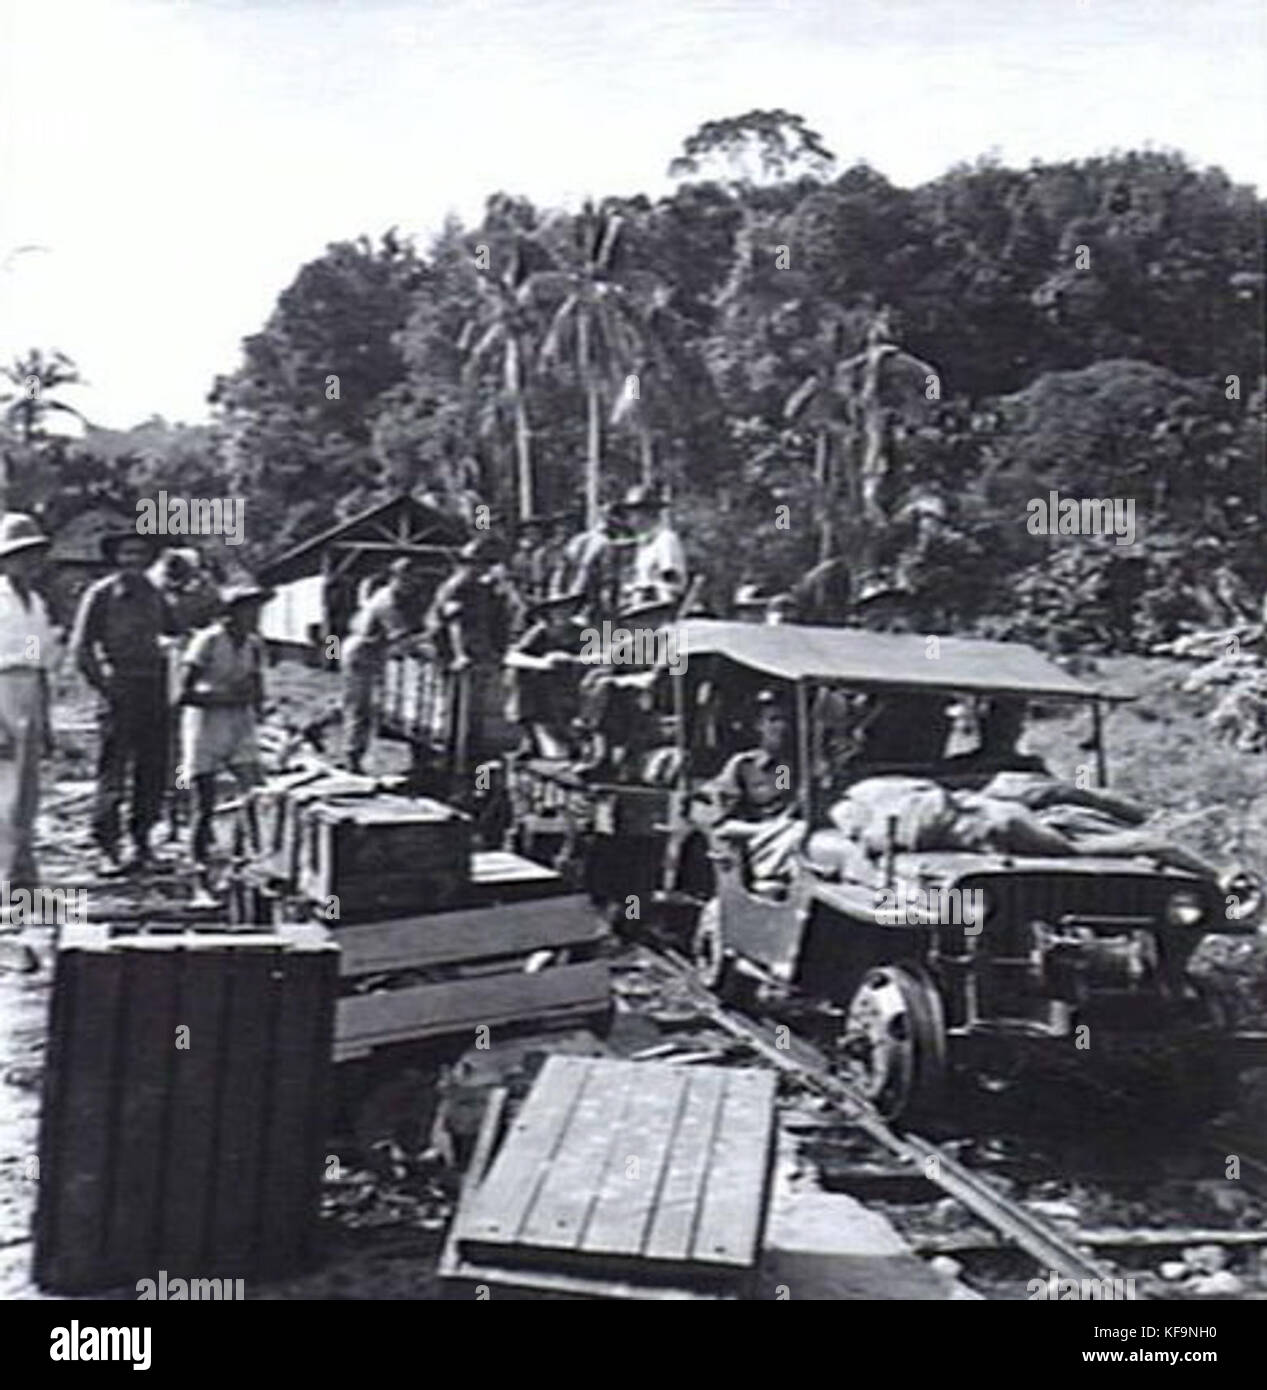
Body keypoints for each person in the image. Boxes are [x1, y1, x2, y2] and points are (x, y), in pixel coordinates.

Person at [70, 530, 175, 874]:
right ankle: (107, 845)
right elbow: (81, 649)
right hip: (120, 685)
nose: (133, 559)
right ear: (116, 558)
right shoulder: (100, 594)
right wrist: (105, 687)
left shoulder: (157, 594)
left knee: (153, 768)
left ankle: (142, 842)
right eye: (127, 553)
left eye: (140, 553)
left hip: (155, 687)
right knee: (113, 769)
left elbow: (177, 632)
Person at [178, 583, 270, 907]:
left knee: (257, 794)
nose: (254, 616)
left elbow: (258, 684)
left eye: (257, 610)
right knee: (203, 806)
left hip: (239, 724)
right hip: (206, 724)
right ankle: (199, 878)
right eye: (248, 610)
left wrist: (257, 702)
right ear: (230, 613)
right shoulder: (207, 641)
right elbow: (182, 694)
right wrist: (223, 697)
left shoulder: (254, 644)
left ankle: (248, 863)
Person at [426, 537, 515, 770]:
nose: (482, 568)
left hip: (478, 655)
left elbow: (494, 622)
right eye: (477, 564)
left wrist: (496, 652)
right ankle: (456, 767)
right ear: (466, 564)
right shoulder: (458, 587)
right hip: (455, 657)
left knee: (475, 716)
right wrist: (460, 655)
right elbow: (456, 624)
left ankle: (470, 765)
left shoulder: (483, 588)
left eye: (486, 564)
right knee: (460, 716)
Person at [0, 515, 54, 899]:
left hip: (29, 688)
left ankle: (22, 874)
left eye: (34, 555)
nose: (28, 564)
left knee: (27, 791)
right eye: (20, 556)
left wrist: (44, 719)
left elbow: (38, 660)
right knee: (3, 790)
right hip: (1, 687)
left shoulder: (36, 603)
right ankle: (5, 878)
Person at [703, 690, 806, 882]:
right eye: (773, 720)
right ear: (759, 726)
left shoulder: (799, 768)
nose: (781, 726)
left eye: (786, 720)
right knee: (795, 832)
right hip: (754, 838)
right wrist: (767, 829)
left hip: (790, 840)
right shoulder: (743, 765)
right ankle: (768, 876)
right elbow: (723, 824)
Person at [340, 557, 422, 773]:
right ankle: (352, 758)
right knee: (361, 709)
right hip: (361, 654)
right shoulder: (387, 601)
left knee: (358, 703)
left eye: (413, 580)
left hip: (373, 654)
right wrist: (425, 645)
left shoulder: (394, 597)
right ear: (396, 578)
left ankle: (316, 727)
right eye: (407, 579)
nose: (411, 585)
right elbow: (401, 636)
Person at [504, 589, 587, 758]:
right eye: (558, 610)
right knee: (521, 679)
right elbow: (512, 657)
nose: (563, 613)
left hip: (572, 679)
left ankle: (575, 743)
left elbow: (600, 655)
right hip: (542, 680)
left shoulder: (582, 631)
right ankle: (530, 740)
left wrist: (571, 659)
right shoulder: (540, 632)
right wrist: (542, 663)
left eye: (568, 609)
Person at [616, 486, 687, 611]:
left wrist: (644, 589)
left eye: (634, 512)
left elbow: (672, 581)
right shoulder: (643, 545)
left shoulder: (665, 539)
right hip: (640, 608)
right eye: (629, 513)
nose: (630, 519)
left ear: (650, 513)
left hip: (659, 610)